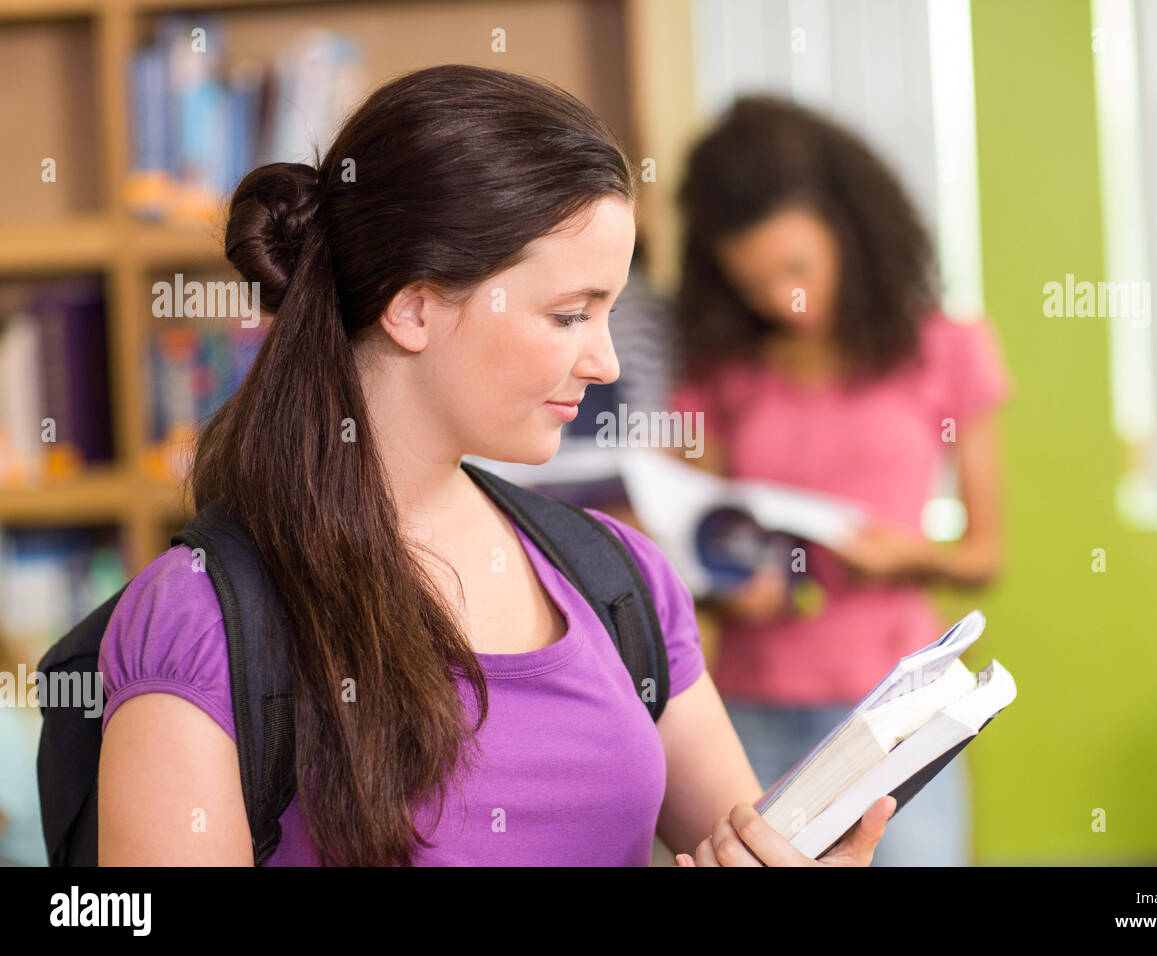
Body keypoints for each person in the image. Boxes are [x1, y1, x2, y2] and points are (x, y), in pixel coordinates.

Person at [95, 65, 895, 867]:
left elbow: (745, 839)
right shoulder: (201, 622)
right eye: (568, 314)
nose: (607, 361)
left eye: (609, 312)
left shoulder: (621, 582)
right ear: (413, 307)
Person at [666, 94, 1012, 866]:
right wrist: (726, 585)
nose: (783, 300)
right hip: (749, 712)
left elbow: (987, 556)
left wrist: (907, 556)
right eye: (752, 284)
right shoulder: (720, 374)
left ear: (850, 233)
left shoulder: (945, 350)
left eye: (797, 268)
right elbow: (690, 538)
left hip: (902, 716)